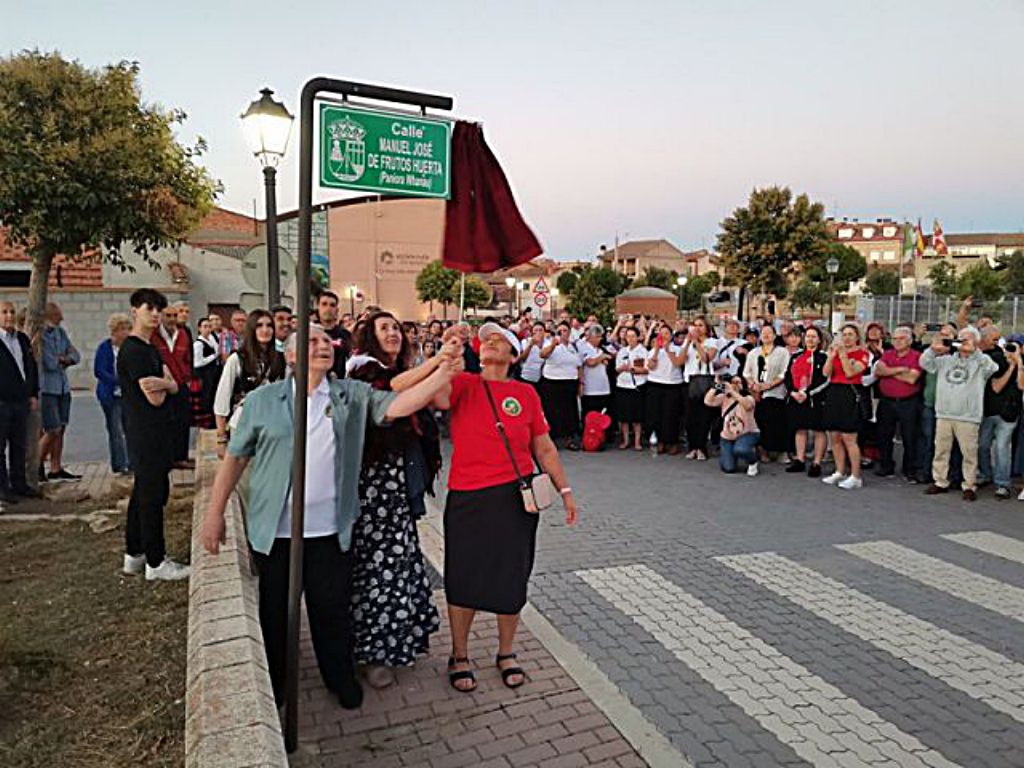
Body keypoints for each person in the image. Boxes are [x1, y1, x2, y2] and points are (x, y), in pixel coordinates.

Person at [201, 324, 458, 709]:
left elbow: (397, 405)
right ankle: (277, 684)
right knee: (276, 611)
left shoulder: (349, 395)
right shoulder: (263, 401)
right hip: (277, 532)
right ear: (290, 355)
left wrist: (443, 371)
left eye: (326, 341)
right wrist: (215, 512)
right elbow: (236, 458)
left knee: (331, 609)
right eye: (312, 340)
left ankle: (338, 677)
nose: (323, 345)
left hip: (329, 530)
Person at [440, 323, 577, 693]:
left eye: (500, 338)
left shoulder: (525, 393)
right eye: (486, 338)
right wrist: (447, 354)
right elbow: (435, 399)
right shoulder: (463, 383)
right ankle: (459, 654)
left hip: (514, 498)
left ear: (514, 355)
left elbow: (543, 447)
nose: (490, 342)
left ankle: (506, 651)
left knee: (511, 576)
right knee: (463, 576)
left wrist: (564, 489)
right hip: (467, 495)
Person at [347, 312, 453, 689]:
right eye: (384, 328)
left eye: (396, 328)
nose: (393, 333)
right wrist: (438, 362)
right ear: (370, 337)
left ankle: (397, 643)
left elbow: (441, 399)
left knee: (400, 561)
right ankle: (371, 653)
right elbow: (395, 389)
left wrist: (448, 360)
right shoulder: (363, 368)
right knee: (376, 567)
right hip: (373, 485)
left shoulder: (407, 369)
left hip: (399, 482)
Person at [118, 289, 189, 581]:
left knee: (143, 493)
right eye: (150, 308)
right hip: (144, 431)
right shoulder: (134, 350)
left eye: (159, 309)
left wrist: (167, 383)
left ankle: (134, 554)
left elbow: (171, 381)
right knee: (152, 496)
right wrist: (169, 384)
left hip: (157, 431)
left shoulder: (150, 349)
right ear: (135, 310)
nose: (156, 314)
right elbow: (156, 397)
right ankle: (156, 562)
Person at [922, 327, 998, 501]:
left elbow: (993, 368)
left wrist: (975, 351)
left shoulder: (981, 361)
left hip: (968, 416)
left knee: (969, 453)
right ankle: (940, 481)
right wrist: (933, 349)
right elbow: (925, 363)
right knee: (941, 450)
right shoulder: (945, 360)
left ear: (976, 341)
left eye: (968, 338)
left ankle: (969, 484)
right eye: (961, 338)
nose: (963, 341)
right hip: (944, 413)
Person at [214, 310, 286, 454]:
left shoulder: (281, 359)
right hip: (243, 423)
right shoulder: (237, 359)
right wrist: (221, 438)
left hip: (273, 425)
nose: (265, 330)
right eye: (259, 326)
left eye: (269, 325)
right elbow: (222, 397)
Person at [821, 323, 871, 490]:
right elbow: (826, 373)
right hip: (834, 392)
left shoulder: (862, 354)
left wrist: (843, 355)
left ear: (857, 337)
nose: (847, 338)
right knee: (834, 436)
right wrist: (831, 356)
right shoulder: (836, 352)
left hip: (850, 393)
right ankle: (839, 470)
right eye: (844, 334)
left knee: (849, 438)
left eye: (850, 334)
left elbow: (850, 373)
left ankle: (856, 475)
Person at [0, 301, 39, 503]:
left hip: (21, 401)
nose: (9, 316)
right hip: (2, 401)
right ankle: (2, 488)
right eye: (4, 312)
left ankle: (19, 483)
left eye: (11, 312)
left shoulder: (22, 339)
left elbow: (30, 366)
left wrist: (33, 393)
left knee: (19, 445)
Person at [873, 326, 923, 482]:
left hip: (908, 402)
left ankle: (909, 469)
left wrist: (889, 371)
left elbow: (912, 379)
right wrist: (900, 369)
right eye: (894, 338)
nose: (897, 341)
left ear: (910, 340)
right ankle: (886, 466)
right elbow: (878, 371)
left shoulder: (917, 356)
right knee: (884, 435)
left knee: (909, 436)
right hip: (887, 401)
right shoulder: (888, 354)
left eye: (901, 338)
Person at [38, 301, 81, 482]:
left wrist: (65, 359)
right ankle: (35, 465)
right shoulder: (41, 336)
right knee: (52, 429)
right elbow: (49, 363)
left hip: (63, 387)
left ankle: (56, 468)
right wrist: (63, 360)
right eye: (58, 315)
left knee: (61, 428)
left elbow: (76, 355)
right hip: (47, 388)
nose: (61, 318)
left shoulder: (61, 333)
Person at [977, 326, 1019, 499]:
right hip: (989, 409)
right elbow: (996, 386)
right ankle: (985, 474)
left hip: (1008, 412)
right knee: (982, 445)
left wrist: (1016, 363)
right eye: (995, 339)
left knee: (1002, 448)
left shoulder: (1014, 360)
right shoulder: (990, 358)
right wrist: (1009, 366)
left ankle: (1002, 484)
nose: (999, 344)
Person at [152, 304, 193, 469]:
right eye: (168, 316)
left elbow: (188, 358)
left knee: (183, 422)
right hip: (163, 385)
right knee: (165, 423)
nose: (172, 319)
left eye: (174, 316)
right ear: (161, 317)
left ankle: (181, 457)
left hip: (181, 384)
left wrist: (188, 378)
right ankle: (167, 458)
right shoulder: (154, 336)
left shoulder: (183, 334)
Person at [784, 325, 829, 477]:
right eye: (808, 336)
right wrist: (792, 392)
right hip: (796, 398)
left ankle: (817, 463)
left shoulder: (823, 358)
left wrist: (808, 393)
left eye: (813, 336)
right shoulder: (796, 356)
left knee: (818, 430)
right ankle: (800, 459)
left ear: (819, 340)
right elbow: (787, 376)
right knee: (800, 428)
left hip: (815, 400)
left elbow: (825, 379)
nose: (810, 339)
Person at [742, 325, 789, 461]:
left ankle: (780, 451)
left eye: (769, 333)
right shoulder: (754, 352)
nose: (766, 335)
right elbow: (746, 373)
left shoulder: (782, 352)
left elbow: (784, 372)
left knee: (776, 422)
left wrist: (769, 385)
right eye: (763, 333)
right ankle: (763, 451)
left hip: (775, 392)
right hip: (756, 393)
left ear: (775, 335)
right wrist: (753, 385)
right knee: (759, 422)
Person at [93, 313, 132, 475]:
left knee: (130, 429)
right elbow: (99, 371)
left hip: (127, 395)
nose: (125, 332)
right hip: (111, 394)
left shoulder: (130, 347)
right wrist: (118, 381)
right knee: (116, 430)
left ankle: (132, 462)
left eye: (127, 328)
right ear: (114, 331)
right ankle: (119, 464)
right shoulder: (105, 347)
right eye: (122, 329)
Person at [705, 374, 760, 475]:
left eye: (738, 382)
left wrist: (732, 391)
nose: (735, 385)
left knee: (741, 449)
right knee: (728, 468)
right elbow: (708, 401)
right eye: (733, 382)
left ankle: (752, 461)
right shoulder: (724, 397)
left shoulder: (748, 398)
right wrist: (716, 385)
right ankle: (729, 455)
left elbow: (747, 405)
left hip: (748, 433)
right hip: (727, 437)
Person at [540, 322, 582, 451]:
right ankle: (551, 440)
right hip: (553, 383)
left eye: (565, 330)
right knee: (552, 412)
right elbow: (543, 354)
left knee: (569, 412)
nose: (562, 333)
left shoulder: (573, 346)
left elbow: (579, 365)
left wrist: (580, 383)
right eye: (560, 331)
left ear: (569, 332)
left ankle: (569, 439)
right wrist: (553, 345)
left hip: (569, 383)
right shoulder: (550, 343)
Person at [645, 323, 686, 455]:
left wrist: (668, 349)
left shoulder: (678, 349)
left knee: (671, 415)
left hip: (672, 385)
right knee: (655, 415)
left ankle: (672, 442)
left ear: (671, 335)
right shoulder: (653, 350)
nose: (663, 336)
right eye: (661, 334)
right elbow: (650, 366)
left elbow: (677, 363)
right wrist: (657, 350)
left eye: (666, 333)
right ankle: (660, 441)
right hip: (655, 384)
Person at [682, 317, 718, 461]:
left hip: (705, 381)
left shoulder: (712, 342)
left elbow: (706, 359)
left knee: (704, 417)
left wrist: (696, 342)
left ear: (707, 328)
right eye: (695, 325)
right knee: (690, 417)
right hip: (689, 381)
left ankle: (702, 448)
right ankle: (692, 447)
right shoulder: (688, 342)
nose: (697, 328)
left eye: (701, 325)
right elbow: (680, 360)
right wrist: (687, 342)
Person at [578, 325, 614, 445]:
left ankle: (602, 438)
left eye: (600, 336)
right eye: (597, 336)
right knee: (589, 415)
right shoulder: (584, 348)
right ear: (591, 337)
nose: (600, 339)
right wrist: (602, 357)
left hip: (604, 387)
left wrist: (603, 357)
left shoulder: (600, 349)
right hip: (590, 389)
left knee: (603, 415)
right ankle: (588, 438)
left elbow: (610, 357)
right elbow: (590, 362)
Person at [614, 326, 647, 451]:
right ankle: (626, 440)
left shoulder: (642, 351)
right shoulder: (622, 351)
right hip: (622, 386)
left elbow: (645, 369)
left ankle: (637, 442)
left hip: (636, 386)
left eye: (633, 336)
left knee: (636, 417)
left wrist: (632, 369)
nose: (630, 339)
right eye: (628, 336)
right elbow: (617, 368)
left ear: (638, 337)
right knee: (624, 417)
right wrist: (623, 368)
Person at [192, 317, 221, 429]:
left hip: (212, 374)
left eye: (209, 326)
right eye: (205, 327)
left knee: (212, 396)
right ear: (199, 328)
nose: (208, 329)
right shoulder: (198, 344)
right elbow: (197, 362)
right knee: (206, 397)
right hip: (204, 374)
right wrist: (214, 356)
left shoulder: (211, 340)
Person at [317, 291, 353, 379]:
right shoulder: (310, 333)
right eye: (324, 304)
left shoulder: (345, 335)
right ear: (318, 307)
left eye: (332, 305)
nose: (328, 308)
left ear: (337, 310)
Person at [517, 322, 547, 392]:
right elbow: (522, 359)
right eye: (536, 330)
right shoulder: (525, 341)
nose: (538, 332)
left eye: (540, 330)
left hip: (540, 379)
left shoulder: (548, 343)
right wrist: (530, 345)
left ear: (544, 332)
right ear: (532, 332)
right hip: (526, 377)